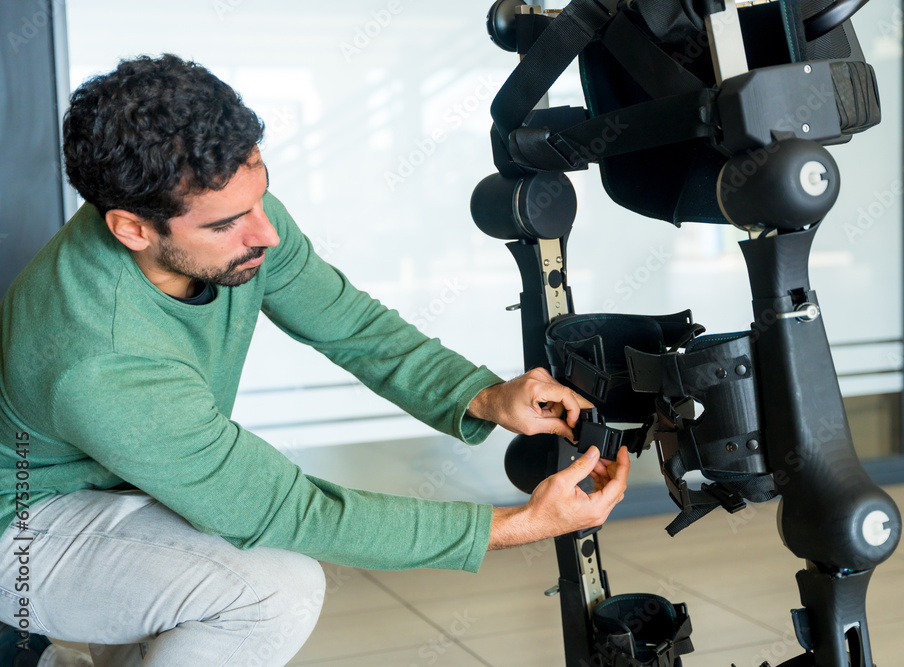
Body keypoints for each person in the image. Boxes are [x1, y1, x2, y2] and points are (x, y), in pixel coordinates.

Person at [0, 54, 630, 666]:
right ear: (132, 229)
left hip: (121, 478)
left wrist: (483, 395)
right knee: (273, 593)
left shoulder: (218, 208)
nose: (267, 233)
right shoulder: (101, 360)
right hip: (23, 525)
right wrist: (518, 524)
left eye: (260, 197)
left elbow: (349, 325)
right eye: (227, 223)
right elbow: (287, 512)